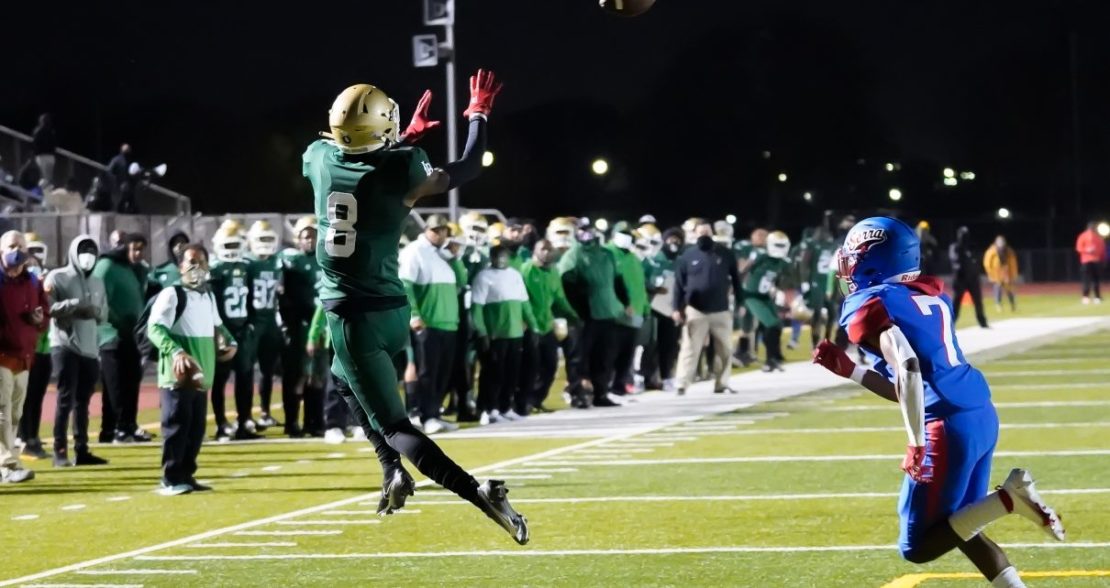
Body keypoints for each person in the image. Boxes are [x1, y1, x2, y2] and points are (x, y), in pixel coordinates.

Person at [303, 71, 528, 543]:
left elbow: (359, 164)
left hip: (350, 318)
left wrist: (399, 140)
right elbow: (468, 166)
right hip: (392, 311)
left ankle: (477, 492)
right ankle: (392, 472)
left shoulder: (319, 158)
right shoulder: (404, 166)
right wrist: (477, 114)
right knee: (345, 384)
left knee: (397, 427)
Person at [813, 216, 1064, 588]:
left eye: (853, 256)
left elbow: (910, 368)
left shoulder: (867, 304)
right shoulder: (929, 297)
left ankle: (1009, 499)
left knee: (916, 547)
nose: (846, 265)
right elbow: (909, 385)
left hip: (946, 427)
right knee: (962, 524)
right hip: (978, 413)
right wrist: (852, 371)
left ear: (872, 261)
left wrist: (916, 444)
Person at [148, 244, 236, 495]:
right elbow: (154, 328)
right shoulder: (172, 294)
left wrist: (230, 343)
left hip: (202, 373)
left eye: (201, 262)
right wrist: (176, 351)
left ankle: (186, 474)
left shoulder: (208, 295)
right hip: (178, 374)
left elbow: (218, 326)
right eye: (190, 262)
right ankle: (171, 478)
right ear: (180, 267)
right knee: (176, 425)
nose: (196, 267)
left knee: (195, 429)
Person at [44, 234, 109, 467]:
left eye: (92, 253)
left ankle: (82, 449)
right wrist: (74, 306)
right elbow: (48, 307)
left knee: (83, 401)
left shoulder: (98, 282)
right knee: (65, 399)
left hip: (90, 348)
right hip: (65, 345)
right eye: (84, 252)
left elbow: (104, 314)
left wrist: (95, 312)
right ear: (73, 253)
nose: (88, 258)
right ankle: (59, 450)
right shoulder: (58, 277)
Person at [399, 214, 461, 434]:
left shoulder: (443, 254)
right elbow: (405, 285)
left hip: (448, 323)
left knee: (442, 372)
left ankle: (434, 414)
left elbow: (461, 282)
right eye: (435, 230)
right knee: (426, 371)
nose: (440, 234)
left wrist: (455, 258)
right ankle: (423, 416)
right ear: (426, 229)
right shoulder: (415, 251)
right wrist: (414, 315)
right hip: (427, 322)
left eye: (443, 230)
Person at [558, 218, 627, 408]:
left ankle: (601, 393)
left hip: (607, 313)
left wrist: (624, 302)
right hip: (584, 315)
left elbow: (617, 280)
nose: (586, 234)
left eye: (588, 230)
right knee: (579, 358)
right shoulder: (573, 255)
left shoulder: (606, 254)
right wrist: (578, 308)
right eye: (582, 230)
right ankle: (576, 394)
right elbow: (566, 283)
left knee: (604, 357)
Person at [92, 233, 152, 443]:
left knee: (130, 381)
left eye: (141, 249)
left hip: (130, 334)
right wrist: (118, 321)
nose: (137, 253)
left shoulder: (133, 269)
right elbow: (99, 299)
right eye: (133, 248)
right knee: (116, 384)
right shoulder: (107, 266)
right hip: (112, 334)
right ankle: (117, 427)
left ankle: (123, 426)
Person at [0, 231, 49, 483]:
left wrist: (39, 321)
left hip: (24, 357)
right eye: (11, 246)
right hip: (2, 355)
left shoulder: (32, 282)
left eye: (20, 246)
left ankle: (6, 461)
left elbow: (45, 313)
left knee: (16, 413)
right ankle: (8, 464)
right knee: (3, 411)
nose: (16, 250)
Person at [672, 222, 742, 393]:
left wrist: (741, 302)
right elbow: (679, 285)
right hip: (696, 309)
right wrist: (676, 308)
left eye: (707, 231)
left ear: (712, 233)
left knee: (725, 349)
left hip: (721, 309)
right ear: (695, 234)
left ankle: (722, 383)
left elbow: (736, 280)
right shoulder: (687, 255)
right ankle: (682, 384)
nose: (704, 234)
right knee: (690, 348)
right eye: (701, 232)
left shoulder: (725, 253)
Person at [472, 244, 538, 423]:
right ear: (491, 257)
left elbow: (525, 304)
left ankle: (505, 407)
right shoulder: (483, 277)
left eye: (504, 256)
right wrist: (482, 332)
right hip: (496, 335)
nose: (501, 259)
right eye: (497, 255)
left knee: (511, 373)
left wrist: (534, 326)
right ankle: (489, 409)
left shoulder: (515, 275)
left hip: (515, 333)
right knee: (493, 373)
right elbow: (476, 309)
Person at [209, 221, 259, 440]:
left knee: (245, 377)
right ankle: (221, 423)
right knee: (220, 380)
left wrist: (250, 322)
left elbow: (251, 298)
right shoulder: (215, 270)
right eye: (227, 246)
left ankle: (244, 420)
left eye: (234, 245)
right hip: (223, 331)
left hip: (241, 330)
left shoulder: (245, 267)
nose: (231, 250)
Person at [520, 239, 579, 413]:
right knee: (530, 367)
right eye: (543, 249)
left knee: (550, 365)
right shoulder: (526, 270)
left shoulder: (553, 271)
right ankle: (523, 401)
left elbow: (559, 298)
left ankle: (536, 399)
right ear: (535, 251)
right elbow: (522, 299)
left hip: (546, 325)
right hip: (530, 327)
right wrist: (527, 322)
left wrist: (572, 315)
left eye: (549, 249)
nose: (547, 252)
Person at [279, 216, 324, 437]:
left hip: (321, 325)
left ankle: (314, 422)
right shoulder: (290, 260)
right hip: (299, 325)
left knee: (317, 376)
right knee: (297, 375)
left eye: (313, 235)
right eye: (306, 236)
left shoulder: (326, 259)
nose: (310, 240)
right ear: (297, 238)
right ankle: (292, 422)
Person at [246, 220, 284, 429]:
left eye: (269, 239)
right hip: (253, 320)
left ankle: (265, 412)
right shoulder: (247, 263)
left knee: (268, 371)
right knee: (247, 370)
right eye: (262, 239)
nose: (266, 243)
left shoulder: (277, 262)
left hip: (270, 320)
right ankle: (247, 415)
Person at [18, 234, 53, 459]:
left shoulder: (40, 286)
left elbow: (47, 315)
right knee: (24, 398)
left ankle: (34, 437)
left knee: (37, 397)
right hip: (25, 350)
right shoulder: (17, 287)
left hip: (44, 349)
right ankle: (23, 438)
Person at [606, 225, 650, 395]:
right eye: (623, 234)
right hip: (615, 313)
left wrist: (645, 308)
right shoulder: (607, 254)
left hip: (635, 313)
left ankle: (620, 384)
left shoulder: (633, 258)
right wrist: (620, 305)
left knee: (627, 352)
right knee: (611, 351)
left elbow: (640, 286)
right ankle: (606, 384)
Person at [797, 223, 840, 349]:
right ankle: (815, 342)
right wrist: (804, 281)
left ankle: (826, 340)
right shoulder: (813, 245)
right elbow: (804, 263)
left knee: (831, 313)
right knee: (817, 313)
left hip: (828, 282)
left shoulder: (833, 246)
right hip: (817, 282)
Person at [949, 226, 989, 328]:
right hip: (960, 279)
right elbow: (955, 260)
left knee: (978, 301)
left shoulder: (972, 247)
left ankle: (982, 321)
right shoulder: (955, 247)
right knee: (956, 303)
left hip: (973, 279)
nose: (964, 237)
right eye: (962, 235)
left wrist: (975, 271)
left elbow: (977, 260)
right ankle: (951, 323)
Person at [983, 236, 1018, 313]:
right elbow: (987, 264)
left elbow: (1012, 263)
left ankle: (1013, 305)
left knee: (1009, 290)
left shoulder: (1008, 251)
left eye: (1002, 242)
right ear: (996, 243)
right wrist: (991, 273)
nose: (1001, 244)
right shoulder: (992, 251)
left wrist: (1013, 274)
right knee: (997, 288)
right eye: (999, 242)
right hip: (996, 274)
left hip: (1005, 272)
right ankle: (998, 304)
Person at [1075, 222, 1105, 304]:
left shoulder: (1082, 236)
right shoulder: (1098, 238)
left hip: (1086, 261)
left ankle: (1086, 297)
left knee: (1086, 279)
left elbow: (1078, 248)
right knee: (1096, 279)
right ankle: (1097, 297)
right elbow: (1102, 250)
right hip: (1095, 261)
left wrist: (1086, 250)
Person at [107, 144, 137, 213]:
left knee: (130, 202)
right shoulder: (117, 160)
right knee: (121, 202)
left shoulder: (129, 161)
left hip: (128, 185)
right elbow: (110, 171)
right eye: (126, 151)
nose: (127, 152)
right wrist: (117, 182)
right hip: (120, 185)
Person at [31, 114, 57, 188]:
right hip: (51, 157)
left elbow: (34, 144)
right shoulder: (52, 131)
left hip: (42, 157)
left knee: (44, 179)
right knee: (49, 179)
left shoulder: (38, 131)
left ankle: (43, 195)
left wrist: (33, 154)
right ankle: (47, 195)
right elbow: (54, 145)